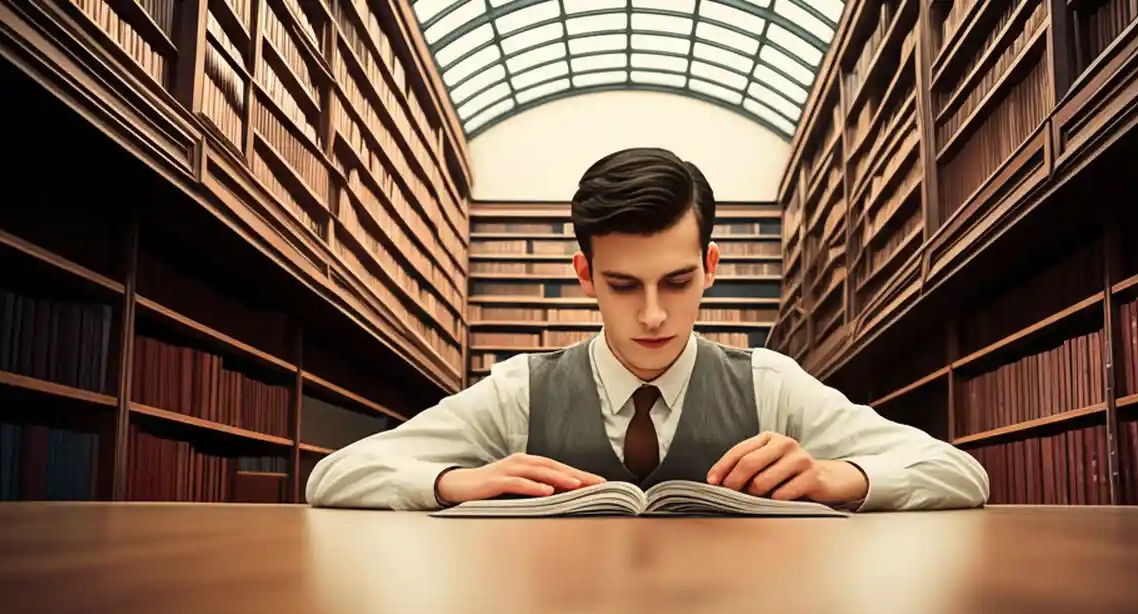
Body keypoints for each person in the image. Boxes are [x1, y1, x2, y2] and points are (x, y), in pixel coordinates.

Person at [306, 148, 988, 511]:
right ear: (584, 274)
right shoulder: (519, 390)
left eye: (678, 281)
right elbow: (337, 475)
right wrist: (455, 482)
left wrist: (844, 477)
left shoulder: (772, 383)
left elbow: (958, 474)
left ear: (712, 265)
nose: (654, 315)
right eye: (623, 285)